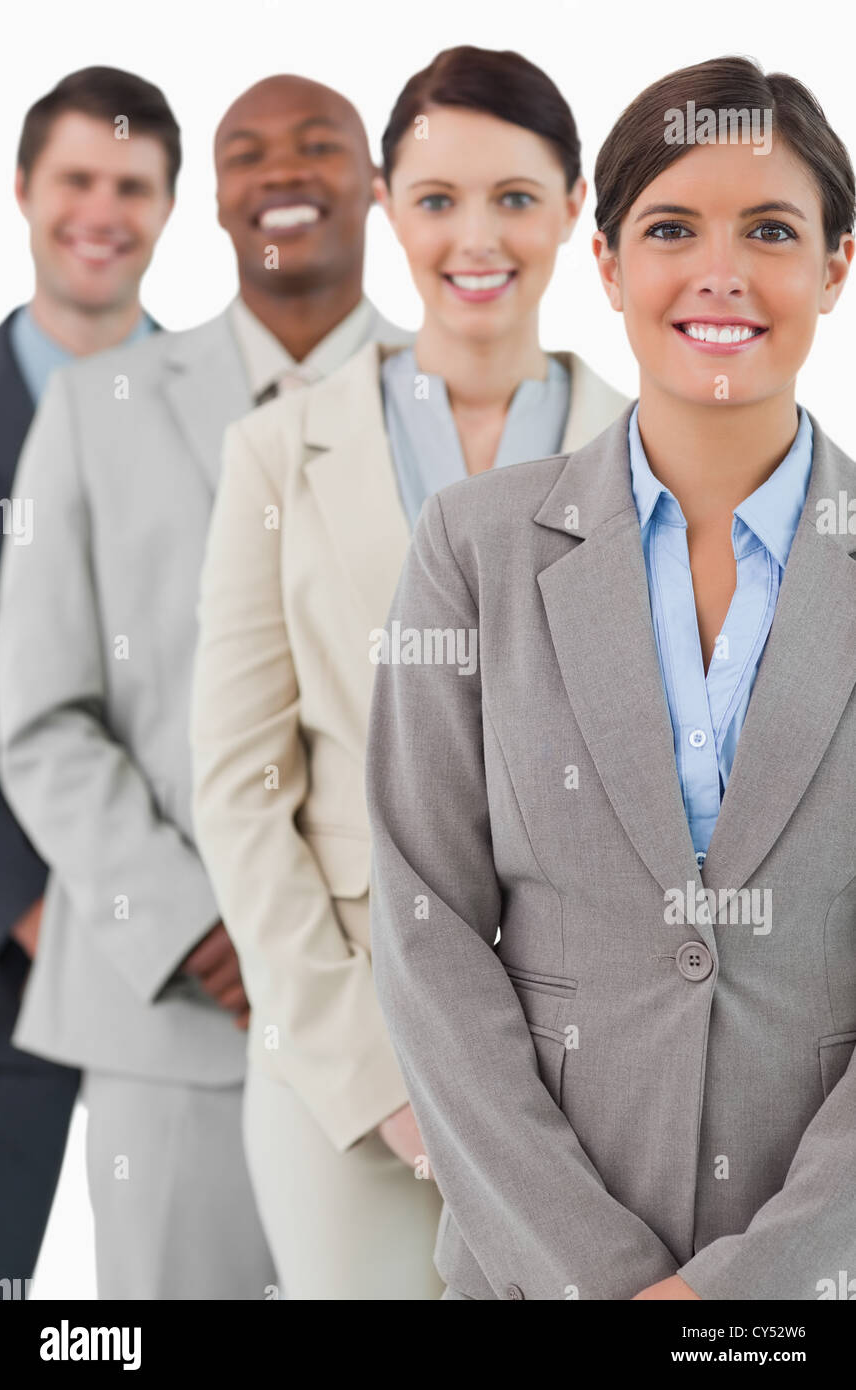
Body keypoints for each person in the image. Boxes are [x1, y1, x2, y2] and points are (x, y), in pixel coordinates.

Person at [364, 54, 856, 1300]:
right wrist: (594, 1280)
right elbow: (424, 931)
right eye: (672, 227)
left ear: (836, 266)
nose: (720, 270)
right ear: (607, 263)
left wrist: (734, 1295)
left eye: (770, 230)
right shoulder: (473, 546)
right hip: (529, 1274)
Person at [189, 45, 627, 1300]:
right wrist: (370, 1072)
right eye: (436, 200)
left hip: (588, 1060)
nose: (473, 237)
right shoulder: (278, 451)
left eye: (513, 197)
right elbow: (236, 780)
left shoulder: (647, 449)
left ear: (571, 205)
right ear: (388, 208)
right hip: (348, 1045)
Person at [0, 73, 405, 1300]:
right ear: (214, 200)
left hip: (402, 1016)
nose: (283, 173)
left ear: (374, 185)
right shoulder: (95, 411)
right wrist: (187, 923)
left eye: (318, 146)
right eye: (247, 152)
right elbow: (40, 715)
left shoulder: (448, 398)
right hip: (171, 1016)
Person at [0, 65, 176, 1292]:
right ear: (21, 190)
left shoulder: (244, 418)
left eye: (132, 185)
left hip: (199, 967)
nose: (101, 210)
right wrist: (32, 902)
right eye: (76, 179)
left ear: (168, 209)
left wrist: (167, 916)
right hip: (6, 952)